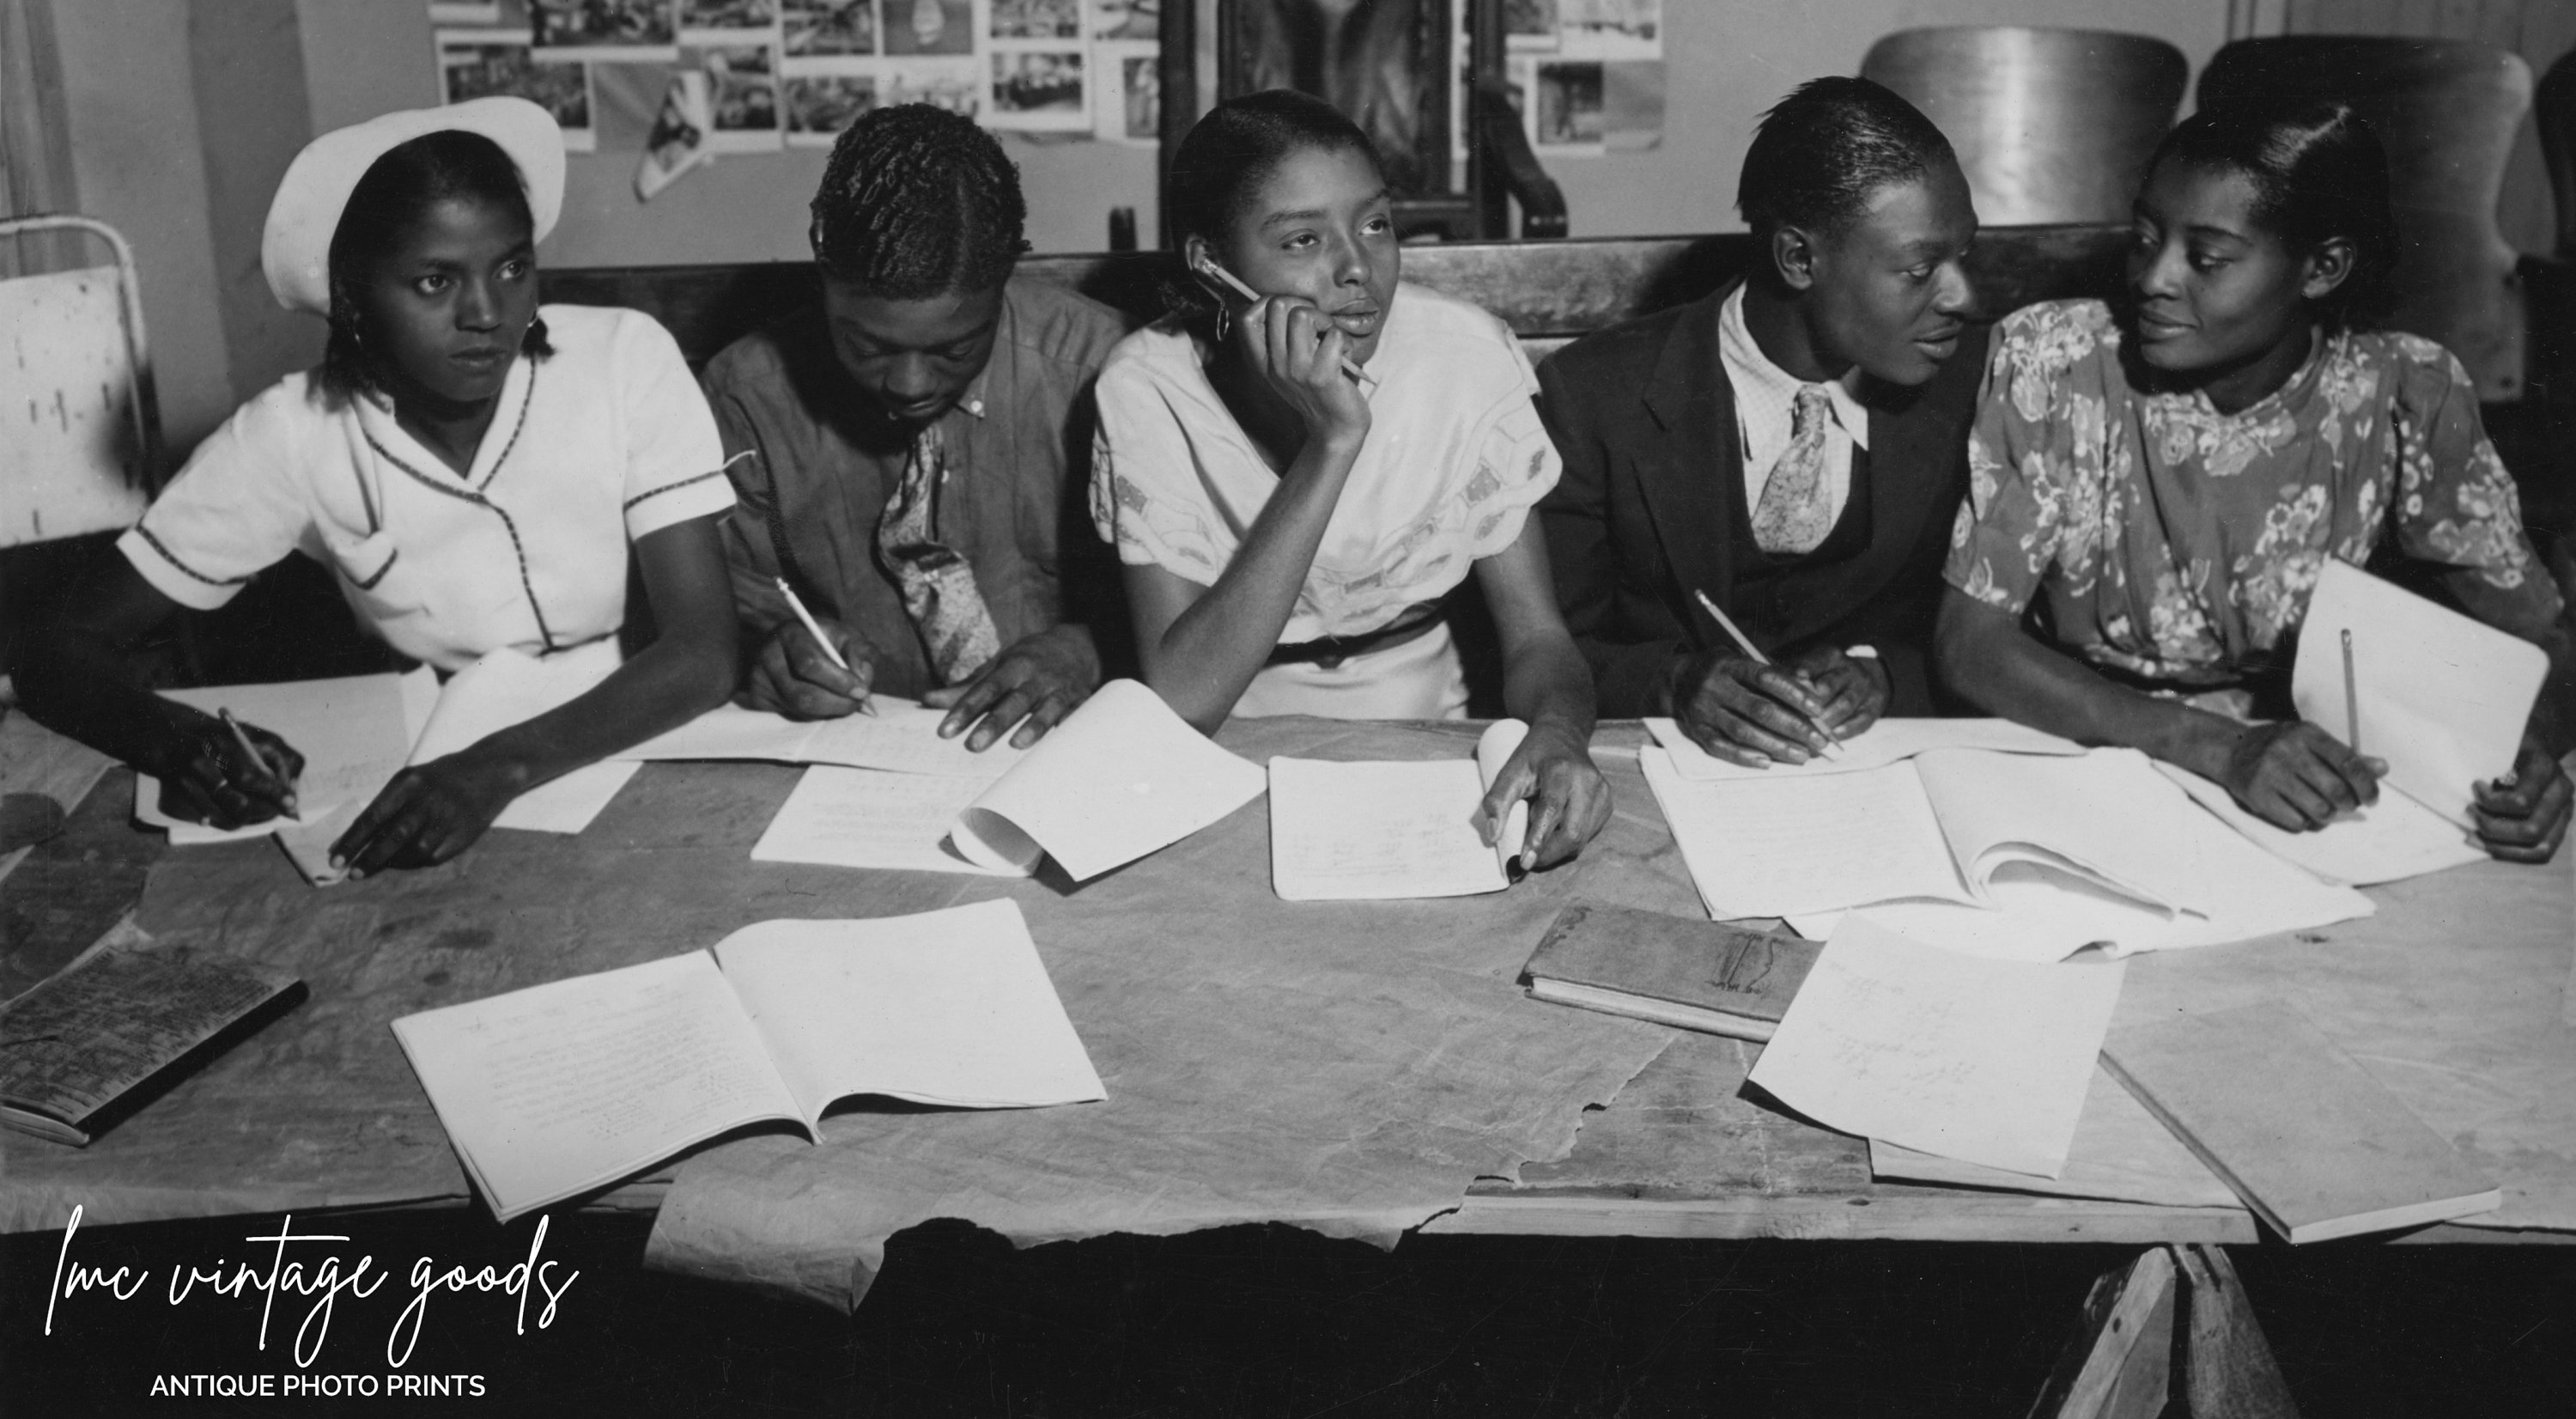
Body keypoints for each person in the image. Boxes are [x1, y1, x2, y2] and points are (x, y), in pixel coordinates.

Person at [15, 99, 741, 874]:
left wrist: (498, 768)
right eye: (434, 280)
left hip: (646, 721)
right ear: (354, 301)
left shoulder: (623, 359)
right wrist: (181, 741)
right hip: (431, 759)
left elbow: (703, 653)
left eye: (511, 267)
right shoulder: (292, 434)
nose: (486, 312)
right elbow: (55, 647)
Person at [1935, 101, 2571, 859]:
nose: (2154, 279)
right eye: (2145, 238)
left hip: (2300, 781)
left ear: (2323, 268)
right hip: (2074, 748)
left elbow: (2542, 639)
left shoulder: (2405, 390)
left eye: (2207, 258)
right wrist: (2219, 747)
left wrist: (2531, 753)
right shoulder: (2057, 360)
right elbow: (1970, 645)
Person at [1090, 90, 1610, 867]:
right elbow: (1185, 700)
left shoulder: (1463, 354)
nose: (1358, 268)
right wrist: (1332, 442)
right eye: (1302, 239)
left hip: (1435, 750)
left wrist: (1560, 732)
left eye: (1375, 224)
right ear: (1211, 263)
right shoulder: (1148, 388)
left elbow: (1538, 638)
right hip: (1229, 758)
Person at [1534, 76, 1984, 766]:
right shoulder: (1595, 395)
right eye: (1921, 269)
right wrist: (1675, 682)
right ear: (1799, 258)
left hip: (1881, 771)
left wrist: (1886, 673)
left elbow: (2002, 631)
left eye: (1964, 256)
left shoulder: (1974, 383)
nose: (1963, 296)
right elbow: (1545, 648)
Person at [703, 104, 1127, 749]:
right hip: (865, 749)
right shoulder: (747, 399)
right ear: (822, 266)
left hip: (1082, 742)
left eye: (955, 350)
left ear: (1006, 278)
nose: (910, 384)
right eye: (867, 345)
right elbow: (724, 607)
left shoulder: (1108, 373)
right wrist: (775, 651)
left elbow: (1205, 596)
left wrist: (1091, 650)